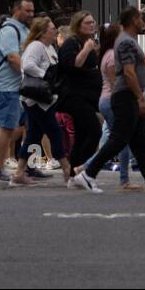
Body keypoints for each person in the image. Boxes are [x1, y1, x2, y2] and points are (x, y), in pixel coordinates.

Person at [70, 7, 145, 194]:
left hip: (127, 95)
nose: (143, 21)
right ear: (133, 20)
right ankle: (88, 173)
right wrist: (140, 97)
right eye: (140, 18)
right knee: (119, 139)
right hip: (126, 95)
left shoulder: (127, 40)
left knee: (138, 141)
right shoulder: (126, 42)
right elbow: (128, 72)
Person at [20, 17, 71, 183]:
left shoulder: (48, 47)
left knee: (34, 135)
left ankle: (20, 172)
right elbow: (27, 65)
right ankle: (66, 170)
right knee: (54, 131)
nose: (55, 31)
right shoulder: (37, 46)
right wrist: (45, 77)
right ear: (43, 32)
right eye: (52, 29)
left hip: (42, 99)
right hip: (37, 100)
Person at [0, 0, 34, 184]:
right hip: (7, 87)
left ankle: (27, 167)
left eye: (32, 11)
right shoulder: (9, 30)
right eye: (27, 11)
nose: (31, 14)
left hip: (19, 87)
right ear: (16, 10)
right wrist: (33, 74)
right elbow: (13, 58)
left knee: (23, 127)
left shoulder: (24, 29)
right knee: (7, 128)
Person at [85, 23, 134, 189]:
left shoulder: (107, 54)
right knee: (121, 141)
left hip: (107, 100)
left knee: (114, 140)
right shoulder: (112, 56)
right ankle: (123, 180)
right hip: (112, 100)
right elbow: (115, 84)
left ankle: (85, 168)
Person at [56, 10, 102, 170]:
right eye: (87, 23)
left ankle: (75, 171)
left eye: (92, 22)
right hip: (74, 96)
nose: (92, 25)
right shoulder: (71, 42)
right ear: (78, 25)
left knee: (82, 135)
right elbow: (73, 64)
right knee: (94, 131)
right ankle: (82, 168)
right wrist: (87, 49)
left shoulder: (87, 41)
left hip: (87, 95)